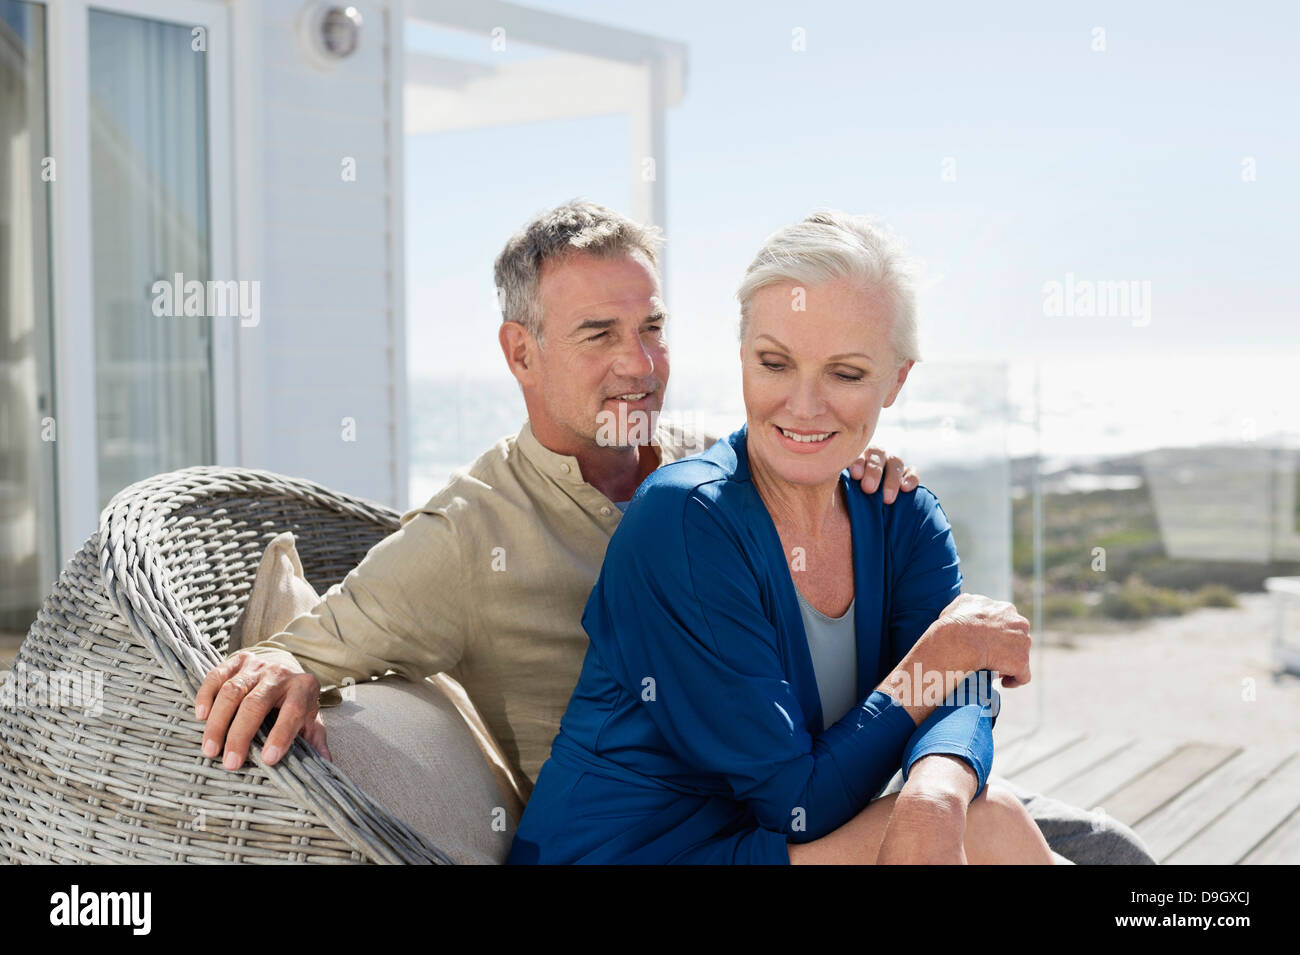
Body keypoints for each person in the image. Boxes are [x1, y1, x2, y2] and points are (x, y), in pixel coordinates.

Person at [197, 200, 1155, 864]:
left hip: (824, 789)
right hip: (673, 831)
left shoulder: (740, 461)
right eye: (598, 335)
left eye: (651, 326)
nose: (639, 363)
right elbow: (307, 646)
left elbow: (934, 642)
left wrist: (939, 771)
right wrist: (286, 664)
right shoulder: (471, 531)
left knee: (1100, 846)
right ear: (519, 353)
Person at [509, 211, 1049, 863]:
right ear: (742, 357)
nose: (803, 404)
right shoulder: (685, 521)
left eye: (845, 373)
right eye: (775, 363)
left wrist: (934, 791)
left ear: (897, 379)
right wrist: (939, 658)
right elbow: (796, 801)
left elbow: (956, 694)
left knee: (980, 816)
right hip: (640, 853)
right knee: (992, 828)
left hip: (782, 846)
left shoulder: (900, 514)